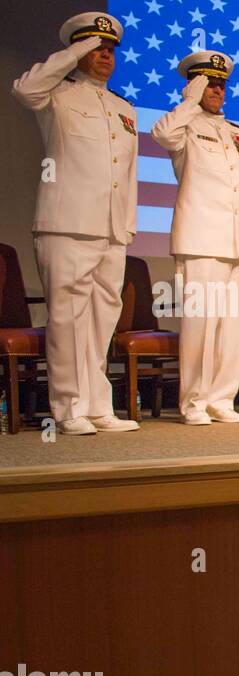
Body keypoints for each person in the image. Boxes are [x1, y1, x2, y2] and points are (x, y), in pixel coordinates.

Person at [11, 12, 139, 435]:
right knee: (67, 318)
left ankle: (98, 404)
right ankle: (68, 408)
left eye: (108, 50)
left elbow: (128, 172)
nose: (104, 56)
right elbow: (25, 87)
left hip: (110, 227)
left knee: (103, 318)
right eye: (96, 49)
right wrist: (73, 53)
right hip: (66, 222)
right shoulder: (57, 95)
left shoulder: (123, 109)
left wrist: (128, 224)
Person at [151, 50, 239, 425]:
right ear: (194, 84)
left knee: (232, 326)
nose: (216, 89)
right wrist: (189, 100)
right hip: (200, 238)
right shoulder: (184, 125)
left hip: (237, 242)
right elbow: (161, 134)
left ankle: (221, 399)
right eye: (208, 82)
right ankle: (194, 402)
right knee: (199, 325)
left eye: (220, 83)